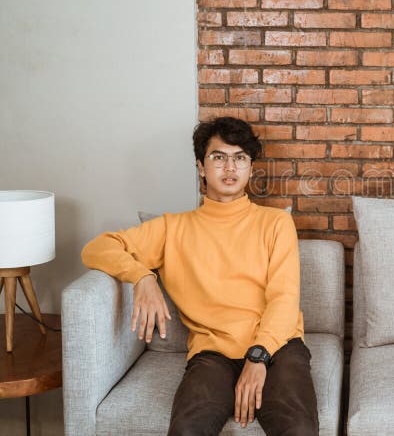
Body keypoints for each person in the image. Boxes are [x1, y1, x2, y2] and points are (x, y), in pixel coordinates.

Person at [82, 117, 318, 436]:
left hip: (278, 349)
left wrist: (258, 356)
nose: (230, 168)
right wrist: (142, 277)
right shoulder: (171, 228)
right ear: (201, 167)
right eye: (219, 157)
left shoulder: (275, 223)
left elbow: (284, 298)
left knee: (299, 430)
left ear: (250, 167)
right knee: (186, 430)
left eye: (240, 158)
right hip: (212, 354)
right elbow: (96, 248)